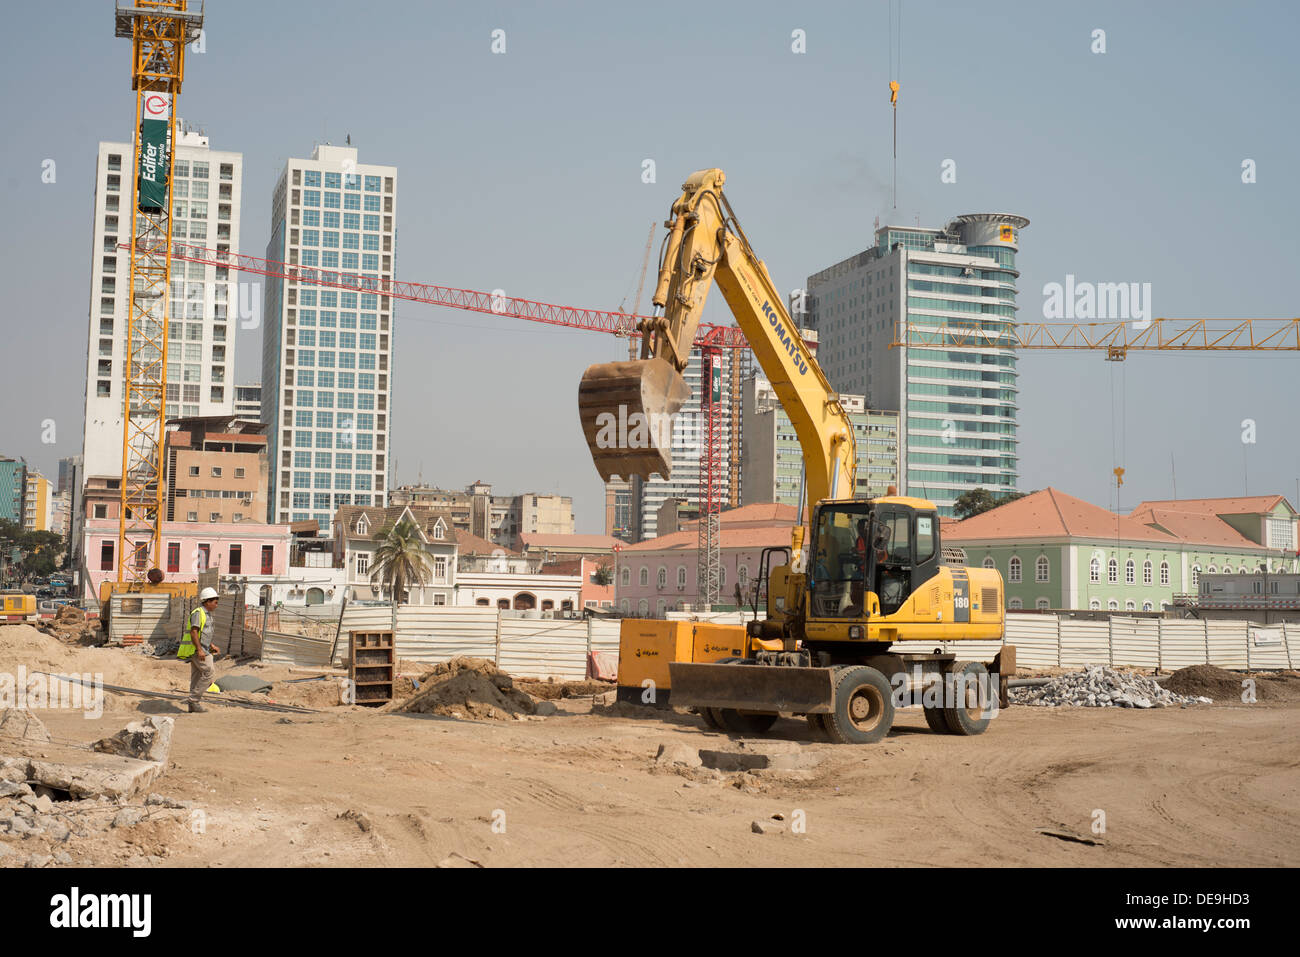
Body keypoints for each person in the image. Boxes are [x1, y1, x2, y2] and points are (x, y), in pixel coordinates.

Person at [179, 587, 221, 714]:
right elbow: (194, 632)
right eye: (215, 602)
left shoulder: (207, 614)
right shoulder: (198, 613)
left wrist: (211, 645)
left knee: (197, 676)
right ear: (207, 601)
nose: (216, 605)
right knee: (209, 672)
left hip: (203, 649)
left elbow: (203, 632)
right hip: (198, 651)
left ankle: (193, 706)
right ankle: (193, 700)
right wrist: (199, 650)